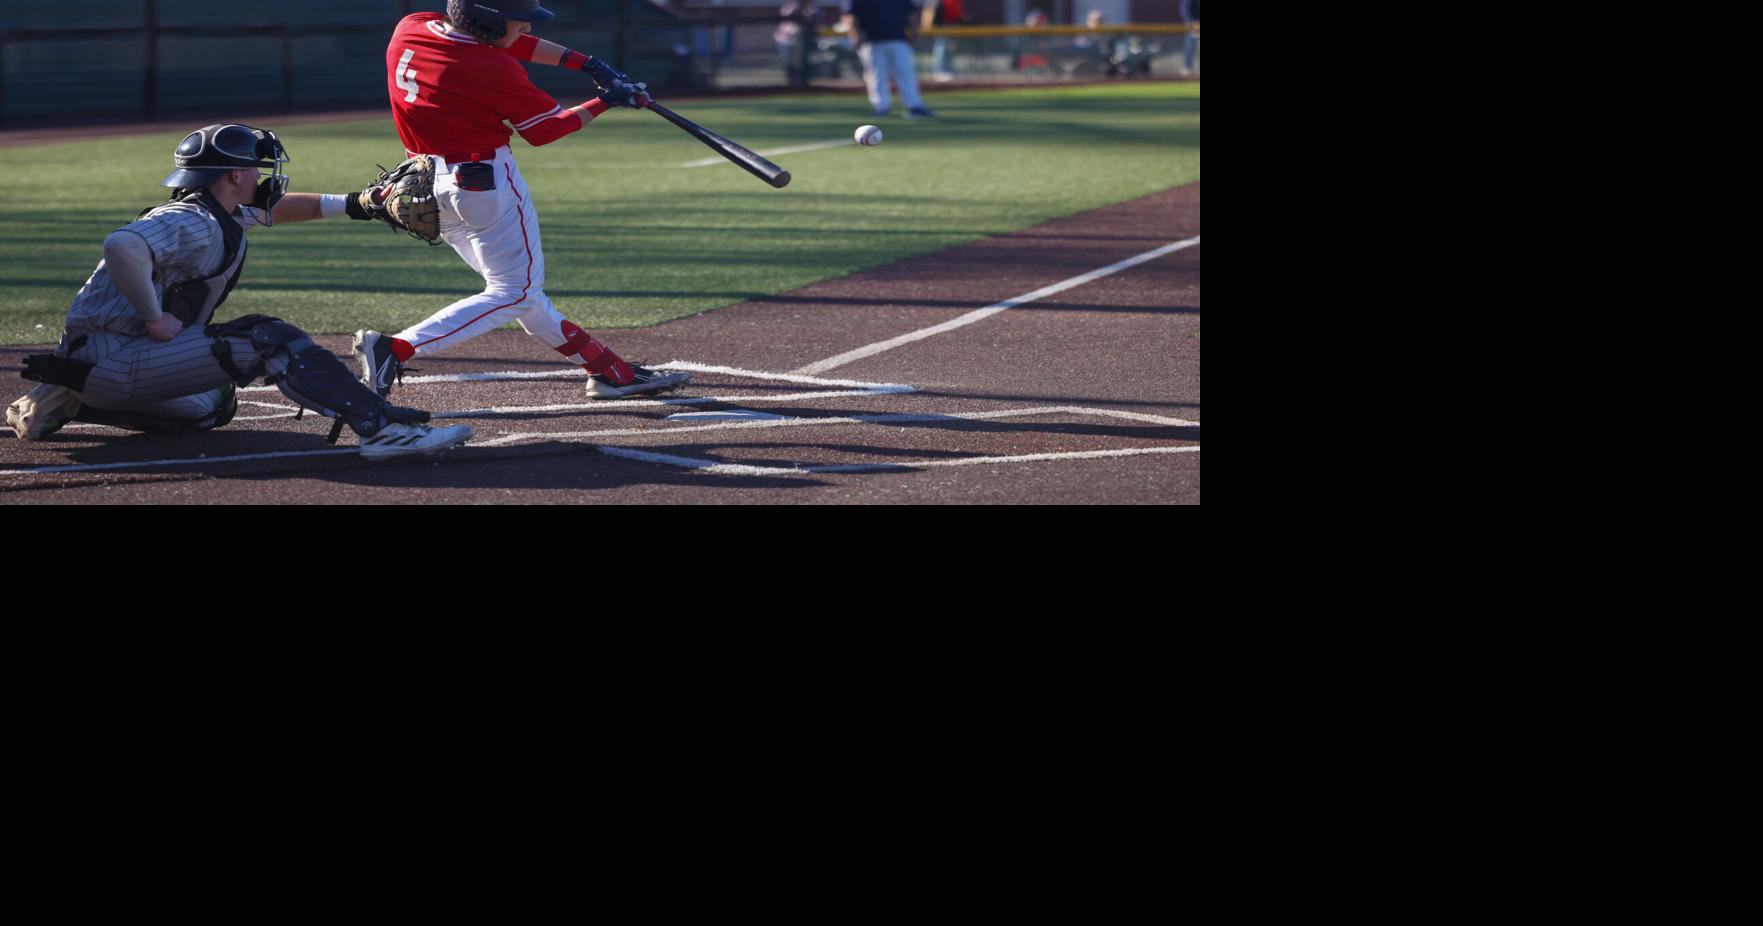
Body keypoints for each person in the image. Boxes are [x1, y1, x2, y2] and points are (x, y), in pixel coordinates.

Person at [5, 123, 473, 460]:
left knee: (213, 404)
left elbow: (283, 208)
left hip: (100, 362)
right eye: (254, 167)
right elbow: (121, 244)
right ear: (233, 176)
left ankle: (72, 398)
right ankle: (381, 429)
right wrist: (153, 315)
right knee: (266, 337)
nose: (261, 175)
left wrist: (359, 204)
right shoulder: (192, 222)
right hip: (118, 356)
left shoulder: (214, 211)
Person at [352, 1, 690, 402]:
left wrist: (589, 64)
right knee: (515, 292)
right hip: (484, 185)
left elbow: (515, 42)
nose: (527, 25)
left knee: (517, 290)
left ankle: (610, 372)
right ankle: (396, 348)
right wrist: (606, 101)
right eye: (517, 18)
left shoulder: (413, 27)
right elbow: (545, 130)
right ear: (488, 22)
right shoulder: (492, 67)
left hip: (425, 182)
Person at [840, 0, 935, 119]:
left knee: (906, 73)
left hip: (898, 39)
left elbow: (911, 12)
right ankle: (881, 107)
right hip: (872, 40)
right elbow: (849, 15)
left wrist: (915, 32)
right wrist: (854, 35)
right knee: (877, 75)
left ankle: (915, 106)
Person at [919, 0, 967, 82]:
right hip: (942, 25)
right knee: (941, 47)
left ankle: (948, 70)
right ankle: (940, 71)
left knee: (950, 49)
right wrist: (930, 25)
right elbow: (931, 10)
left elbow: (956, 11)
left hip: (952, 24)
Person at [1181, 0, 1200, 77]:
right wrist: (1192, 22)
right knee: (1190, 46)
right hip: (1193, 24)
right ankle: (1187, 67)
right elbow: (1185, 11)